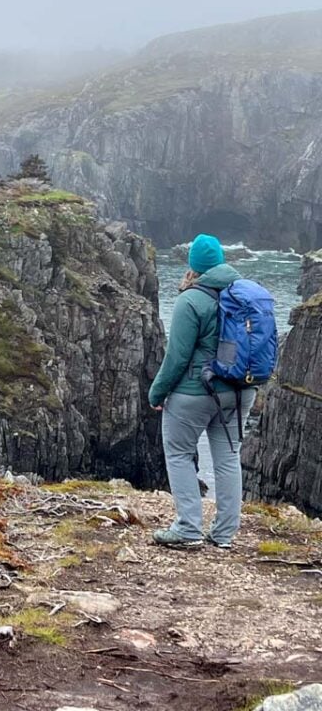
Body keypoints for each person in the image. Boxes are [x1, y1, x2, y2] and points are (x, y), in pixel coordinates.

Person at [148, 233, 257, 549]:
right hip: (239, 391)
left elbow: (177, 357)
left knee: (180, 453)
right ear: (221, 261)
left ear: (192, 265)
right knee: (228, 457)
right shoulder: (243, 293)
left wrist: (157, 394)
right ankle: (224, 535)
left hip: (196, 393)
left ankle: (188, 529)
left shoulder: (190, 300)